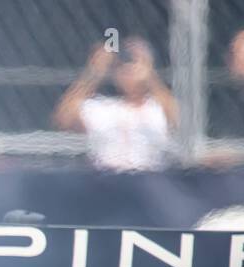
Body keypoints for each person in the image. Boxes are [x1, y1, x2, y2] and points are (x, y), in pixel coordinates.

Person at [54, 38, 177, 171]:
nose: (128, 71)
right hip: (109, 179)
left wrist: (150, 75)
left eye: (133, 64)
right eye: (121, 67)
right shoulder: (104, 108)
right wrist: (94, 73)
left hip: (150, 178)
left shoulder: (156, 108)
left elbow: (179, 120)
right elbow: (64, 118)